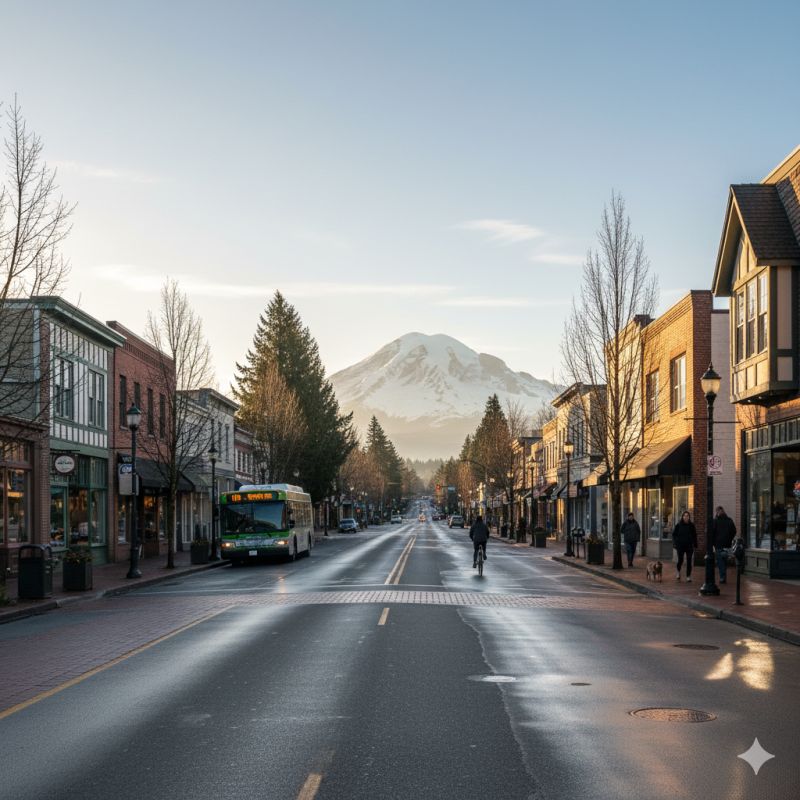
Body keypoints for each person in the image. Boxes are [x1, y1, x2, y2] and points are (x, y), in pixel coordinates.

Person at [711, 506, 737, 584]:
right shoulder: (729, 520)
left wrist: (713, 543)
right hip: (727, 544)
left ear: (717, 512)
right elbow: (734, 531)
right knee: (724, 561)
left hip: (718, 545)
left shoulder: (715, 521)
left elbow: (712, 533)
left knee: (720, 562)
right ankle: (723, 576)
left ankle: (723, 577)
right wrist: (729, 538)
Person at [672, 510, 698, 582]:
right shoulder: (678, 525)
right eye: (685, 516)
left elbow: (694, 535)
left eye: (687, 516)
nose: (686, 517)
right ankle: (678, 571)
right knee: (680, 560)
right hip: (680, 545)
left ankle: (688, 576)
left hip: (689, 545)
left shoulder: (691, 525)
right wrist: (675, 543)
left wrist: (695, 544)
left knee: (689, 561)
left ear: (689, 517)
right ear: (682, 517)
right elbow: (674, 535)